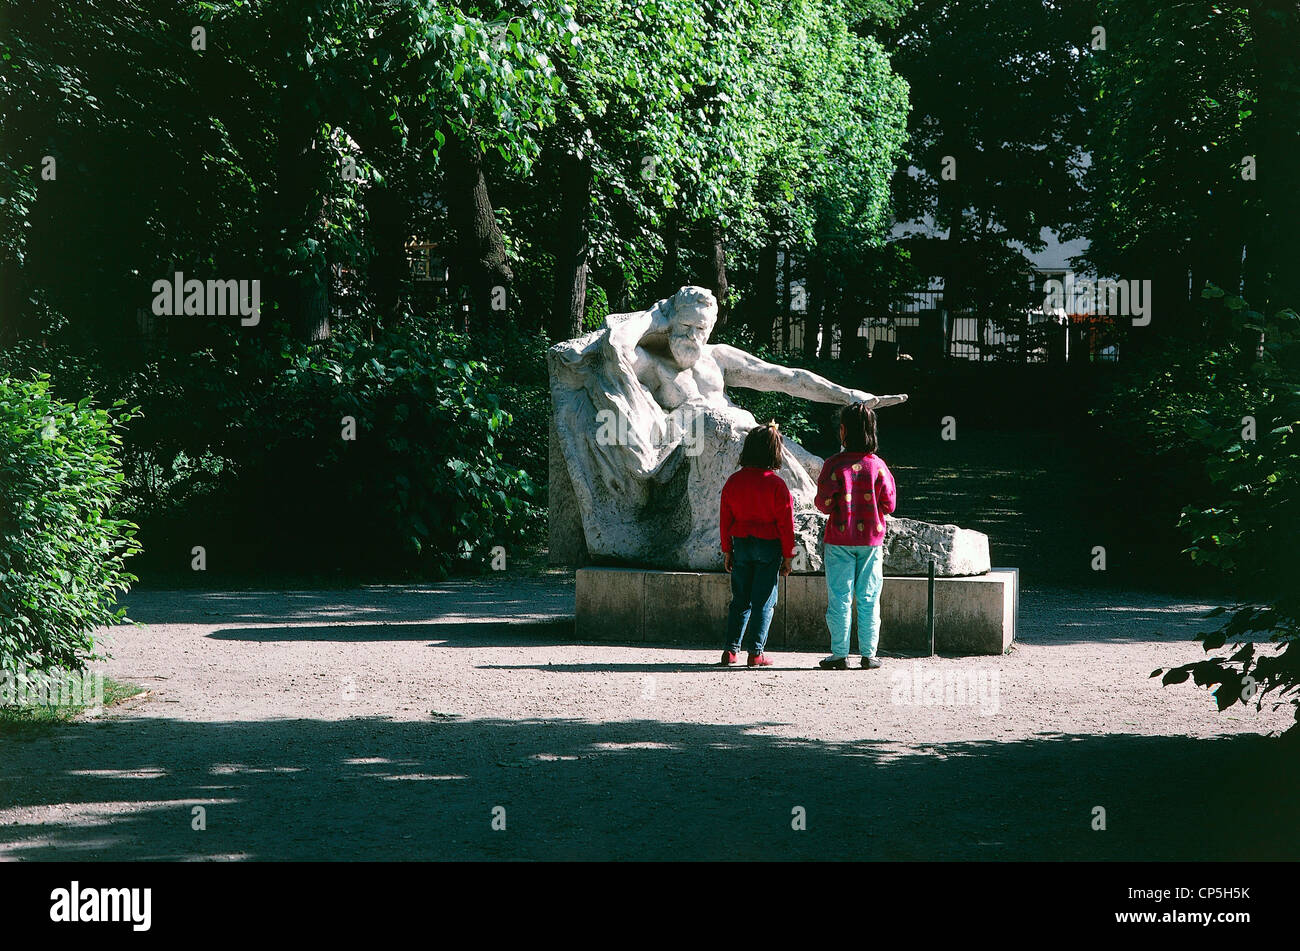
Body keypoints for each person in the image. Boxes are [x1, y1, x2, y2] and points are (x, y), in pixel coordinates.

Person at [814, 403, 897, 670]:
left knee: (840, 596)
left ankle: (839, 654)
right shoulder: (879, 466)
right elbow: (890, 504)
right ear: (873, 431)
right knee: (870, 596)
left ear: (842, 431)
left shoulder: (833, 465)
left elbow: (823, 504)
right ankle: (869, 654)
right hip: (871, 540)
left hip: (839, 539)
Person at [718, 422, 795, 667]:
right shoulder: (777, 485)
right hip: (768, 546)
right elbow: (786, 525)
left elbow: (724, 518)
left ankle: (730, 651)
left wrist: (727, 549)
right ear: (775, 452)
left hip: (741, 544)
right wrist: (788, 556)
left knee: (740, 599)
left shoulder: (733, 481)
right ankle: (756, 652)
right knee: (764, 600)